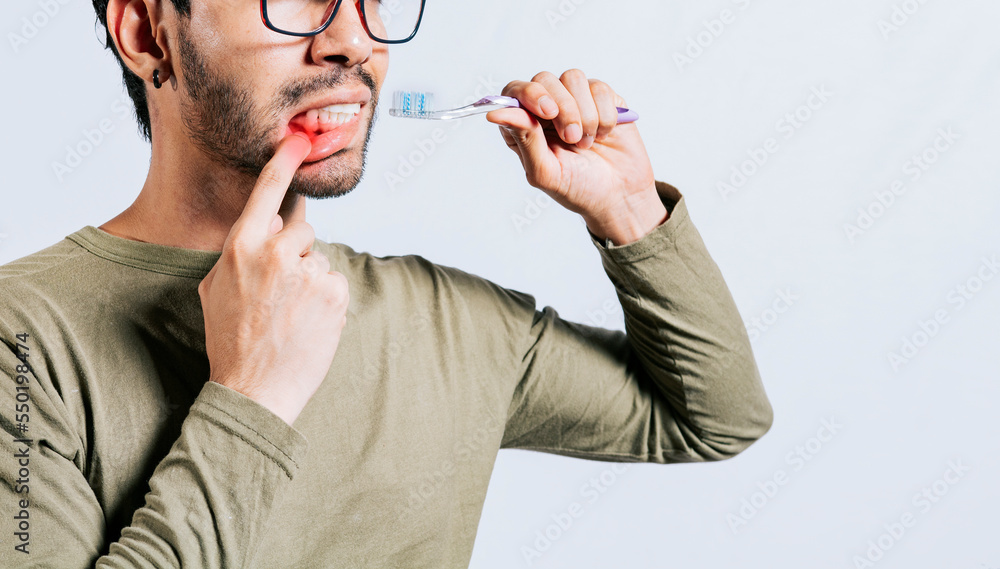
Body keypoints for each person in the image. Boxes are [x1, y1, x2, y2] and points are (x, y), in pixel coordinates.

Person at [0, 0, 773, 566]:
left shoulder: (453, 326)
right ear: (146, 32)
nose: (353, 41)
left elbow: (711, 418)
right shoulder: (21, 339)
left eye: (372, 2)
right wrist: (253, 401)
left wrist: (630, 210)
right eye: (296, 2)